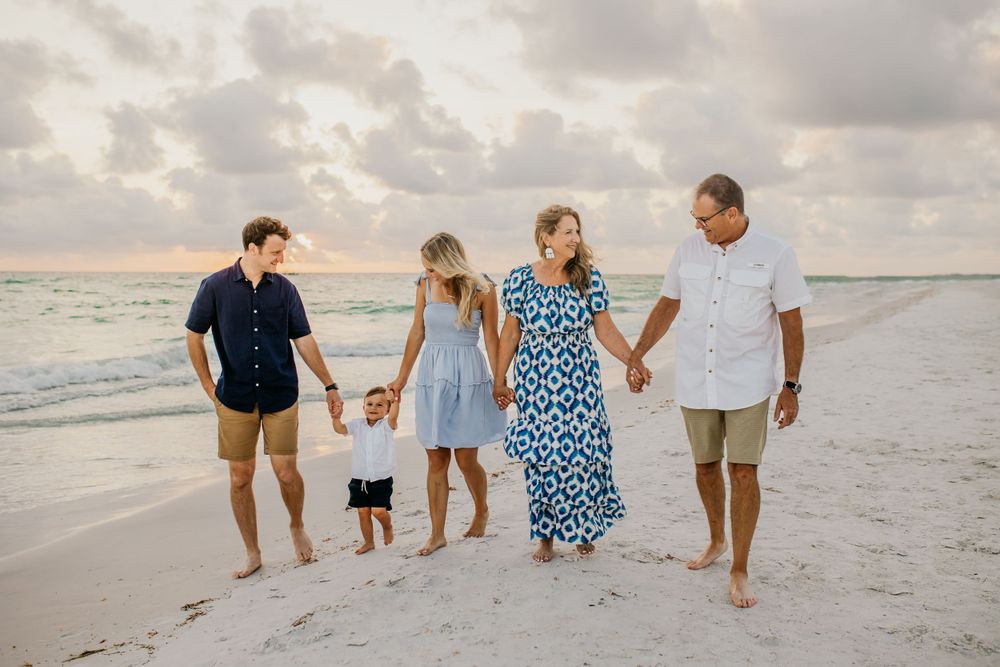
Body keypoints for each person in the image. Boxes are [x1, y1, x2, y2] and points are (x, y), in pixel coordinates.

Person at [627, 174, 811, 608]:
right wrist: (637, 353)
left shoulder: (775, 253)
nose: (697, 226)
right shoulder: (688, 250)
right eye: (693, 217)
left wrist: (791, 386)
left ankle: (740, 569)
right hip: (695, 378)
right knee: (706, 466)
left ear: (732, 213)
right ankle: (716, 540)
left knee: (743, 472)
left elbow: (791, 322)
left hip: (747, 383)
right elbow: (668, 304)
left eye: (703, 218)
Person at [185, 215, 344, 579]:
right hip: (235, 397)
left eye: (282, 252)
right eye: (275, 252)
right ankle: (253, 552)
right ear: (252, 248)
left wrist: (329, 384)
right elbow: (194, 335)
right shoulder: (214, 286)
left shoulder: (285, 289)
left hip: (281, 394)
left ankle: (296, 525)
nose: (281, 259)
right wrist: (209, 388)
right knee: (241, 477)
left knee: (287, 473)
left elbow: (303, 340)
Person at [493, 205, 632, 563]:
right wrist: (499, 379)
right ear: (547, 236)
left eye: (577, 231)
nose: (576, 238)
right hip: (535, 382)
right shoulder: (521, 278)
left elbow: (605, 329)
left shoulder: (588, 277)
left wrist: (634, 360)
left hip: (580, 381)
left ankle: (584, 528)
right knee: (543, 459)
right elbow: (510, 334)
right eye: (568, 231)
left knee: (583, 453)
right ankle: (545, 536)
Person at [386, 233, 507, 556]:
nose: (429, 273)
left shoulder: (483, 289)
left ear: (449, 262)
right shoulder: (423, 285)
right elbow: (417, 331)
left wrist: (500, 381)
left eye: (433, 268)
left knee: (467, 459)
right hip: (432, 375)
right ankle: (437, 533)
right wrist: (401, 378)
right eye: (425, 268)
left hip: (467, 374)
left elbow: (492, 339)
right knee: (436, 457)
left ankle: (481, 509)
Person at [331, 386, 399, 555]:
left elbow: (394, 415)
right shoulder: (357, 425)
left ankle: (387, 526)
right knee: (362, 512)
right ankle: (369, 542)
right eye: (369, 404)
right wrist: (336, 418)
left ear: (387, 409)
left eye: (380, 405)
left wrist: (395, 400)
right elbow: (340, 430)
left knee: (378, 511)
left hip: (381, 479)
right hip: (359, 479)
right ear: (363, 407)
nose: (374, 408)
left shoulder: (386, 426)